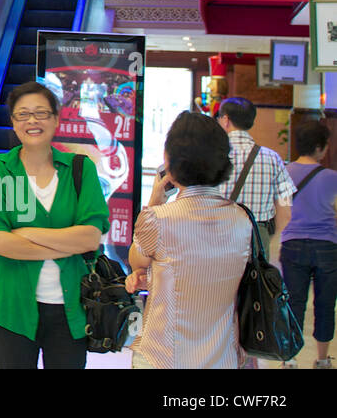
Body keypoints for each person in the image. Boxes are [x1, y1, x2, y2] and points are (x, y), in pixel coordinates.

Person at [0, 81, 108, 369]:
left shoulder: (80, 168)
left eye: (41, 113)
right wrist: (65, 244)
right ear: (12, 122)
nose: (32, 121)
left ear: (56, 119)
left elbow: (89, 238)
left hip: (72, 309)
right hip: (12, 307)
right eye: (22, 114)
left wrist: (25, 234)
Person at [126, 111, 252, 369]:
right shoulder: (242, 219)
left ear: (169, 162)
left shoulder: (158, 219)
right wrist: (153, 278)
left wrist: (154, 202)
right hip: (222, 356)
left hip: (163, 356)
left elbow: (136, 259)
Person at [279, 121, 337, 369]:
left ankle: (289, 359)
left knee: (293, 302)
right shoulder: (332, 177)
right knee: (325, 303)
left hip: (293, 244)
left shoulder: (285, 172)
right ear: (319, 147)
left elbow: (282, 214)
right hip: (327, 246)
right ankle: (322, 359)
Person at [215, 96, 294, 254]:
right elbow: (286, 206)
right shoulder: (273, 158)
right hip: (257, 236)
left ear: (225, 120)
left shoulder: (212, 155)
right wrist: (274, 240)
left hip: (218, 233)